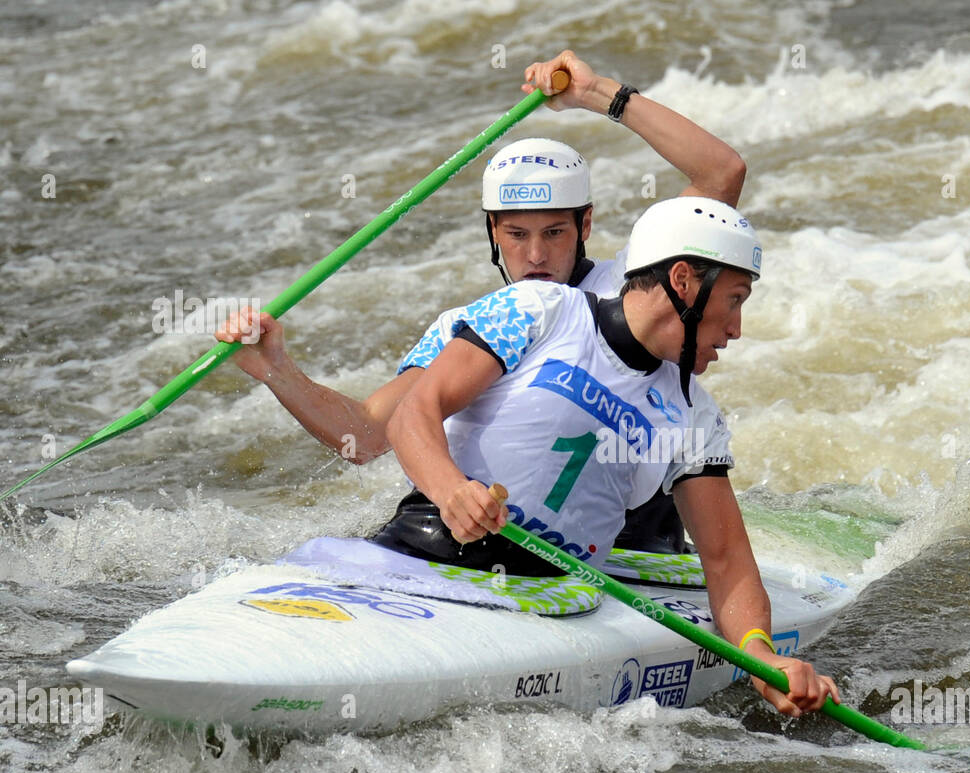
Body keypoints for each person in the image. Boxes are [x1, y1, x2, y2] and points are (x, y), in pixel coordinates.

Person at [214, 51, 744, 552]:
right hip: (508, 541)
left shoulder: (635, 286)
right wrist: (278, 371)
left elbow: (722, 173)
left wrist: (597, 92)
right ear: (492, 231)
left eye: (555, 232)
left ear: (586, 224)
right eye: (516, 235)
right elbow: (370, 434)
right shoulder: (477, 327)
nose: (535, 255)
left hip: (634, 542)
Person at [383, 195, 840, 719]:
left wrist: (759, 654)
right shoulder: (538, 310)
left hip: (551, 598)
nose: (736, 328)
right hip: (421, 555)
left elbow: (726, 562)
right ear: (684, 281)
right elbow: (412, 412)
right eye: (735, 299)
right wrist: (450, 491)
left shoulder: (693, 416)